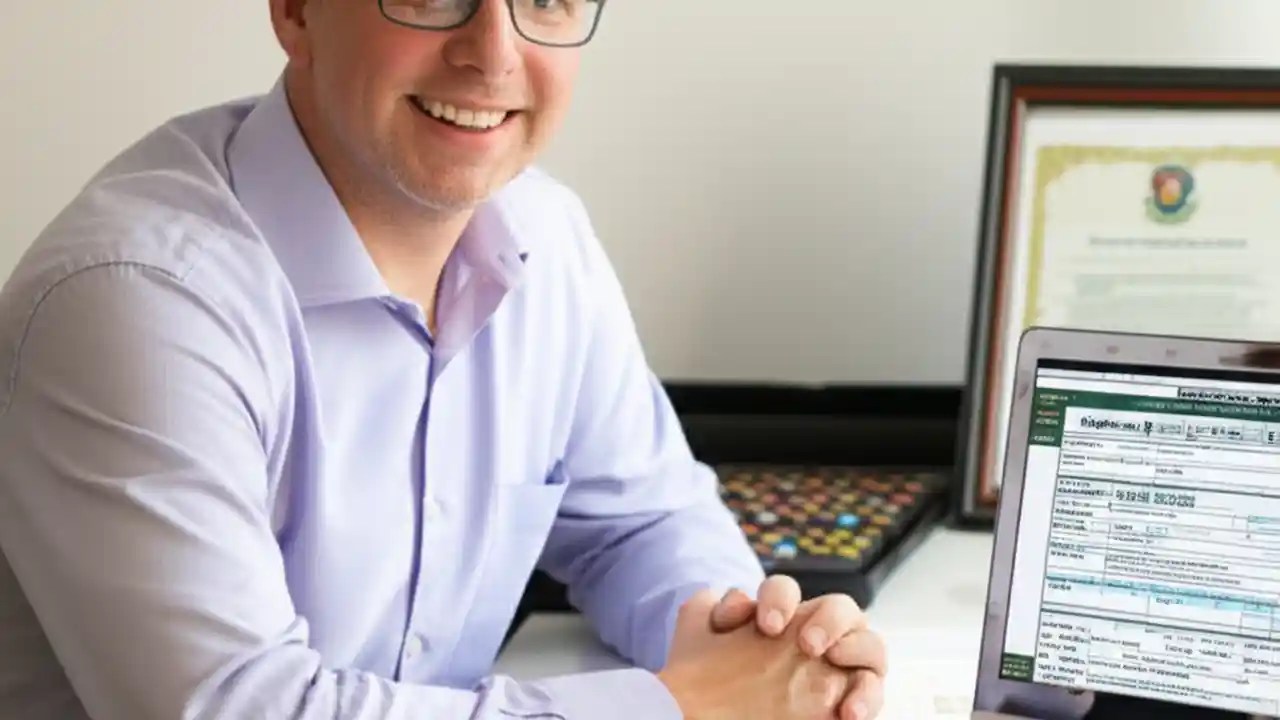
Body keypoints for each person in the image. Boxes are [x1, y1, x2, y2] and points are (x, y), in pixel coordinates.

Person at [0, 0, 888, 718]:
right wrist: (678, 709)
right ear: (296, 11)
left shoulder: (547, 239)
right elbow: (242, 709)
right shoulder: (135, 300)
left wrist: (752, 642)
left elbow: (643, 523)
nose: (494, 54)